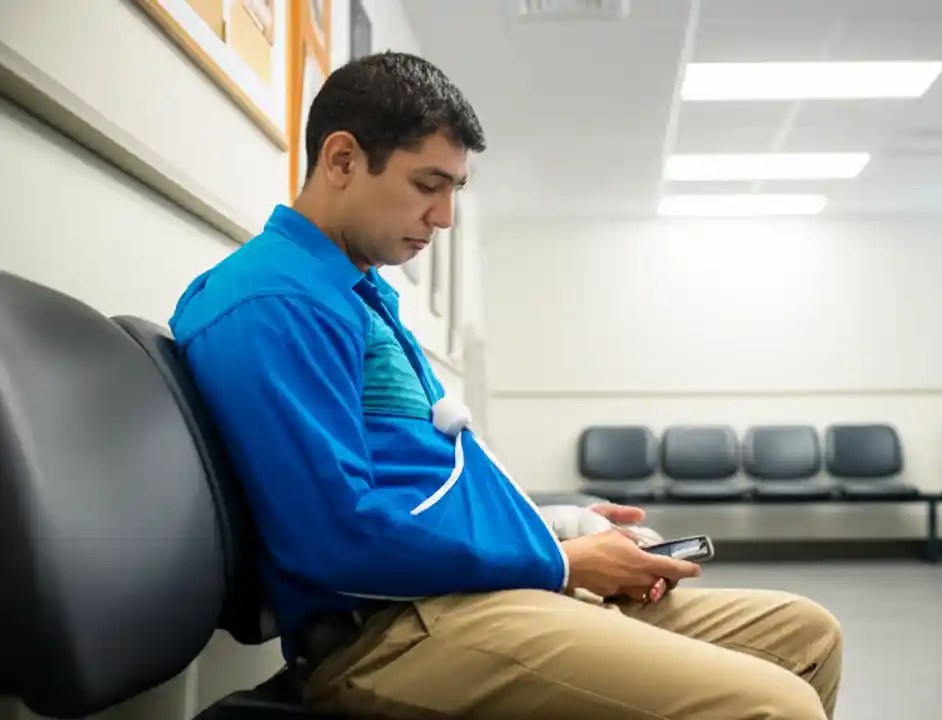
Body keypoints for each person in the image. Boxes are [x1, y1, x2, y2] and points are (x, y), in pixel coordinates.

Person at [170, 51, 842, 720]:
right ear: (342, 160)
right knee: (777, 704)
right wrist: (561, 561)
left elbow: (421, 484)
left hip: (463, 599)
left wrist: (554, 525)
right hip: (391, 632)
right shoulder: (273, 300)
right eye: (428, 184)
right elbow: (338, 543)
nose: (444, 217)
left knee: (805, 636)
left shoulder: (353, 292)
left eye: (454, 190)